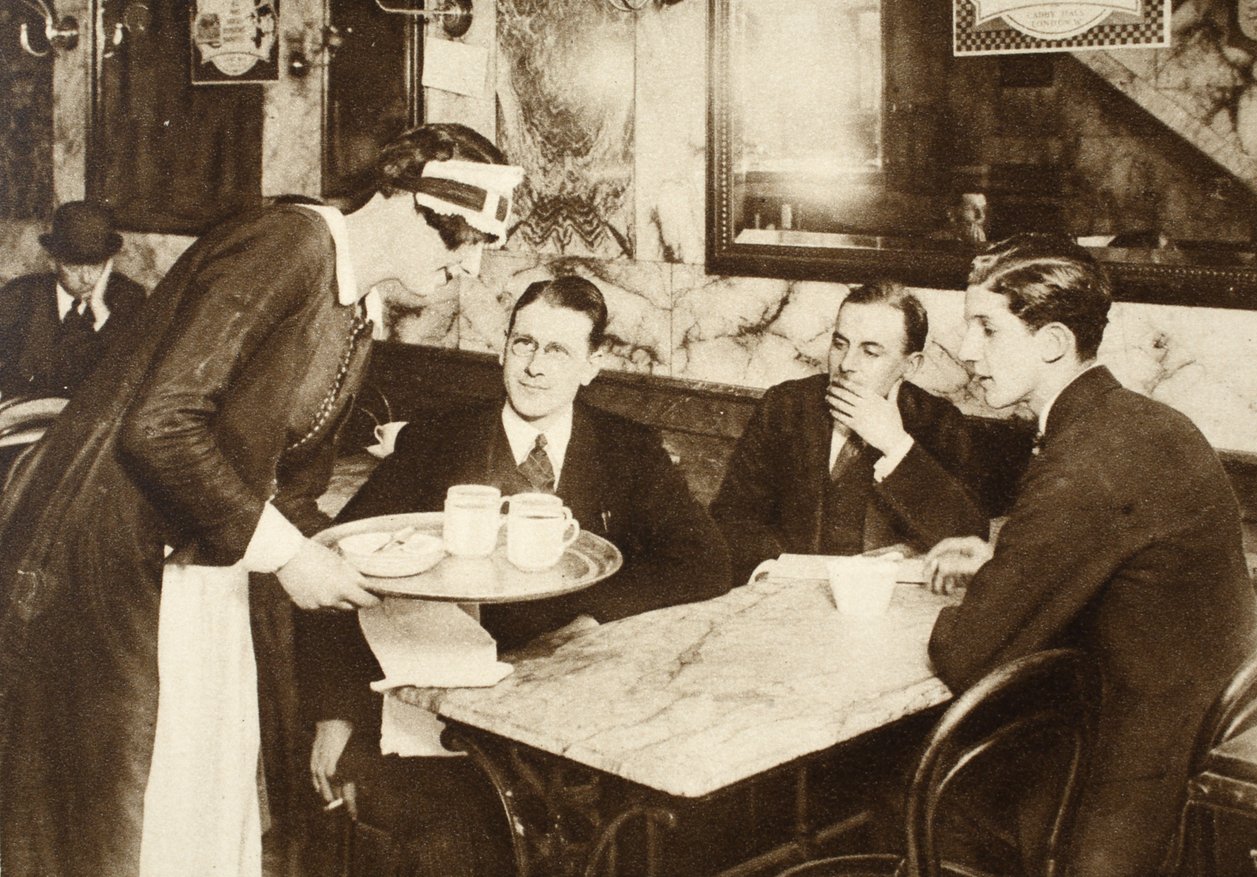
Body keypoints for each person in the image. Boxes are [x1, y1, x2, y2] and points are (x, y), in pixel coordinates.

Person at [0, 122, 524, 877]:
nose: (469, 268)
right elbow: (161, 424)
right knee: (137, 821)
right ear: (398, 201)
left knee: (205, 804)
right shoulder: (291, 244)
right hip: (118, 572)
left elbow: (294, 486)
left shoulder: (355, 306)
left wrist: (377, 567)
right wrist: (288, 556)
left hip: (200, 565)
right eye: (458, 240)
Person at [298, 276, 732, 873]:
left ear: (591, 364)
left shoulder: (627, 450)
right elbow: (333, 565)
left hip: (576, 716)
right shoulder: (437, 443)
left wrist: (593, 615)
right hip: (439, 721)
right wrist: (335, 714)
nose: (534, 367)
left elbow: (704, 562)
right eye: (524, 344)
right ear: (503, 348)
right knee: (463, 848)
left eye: (557, 351)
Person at [925, 234, 1257, 877]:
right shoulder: (1139, 421)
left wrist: (998, 582)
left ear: (1053, 343)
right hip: (1190, 738)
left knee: (909, 791)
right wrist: (1004, 554)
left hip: (1140, 785)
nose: (966, 354)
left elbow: (965, 652)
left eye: (986, 329)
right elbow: (1121, 549)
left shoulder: (1085, 461)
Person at [710, 280, 1029, 586]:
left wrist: (896, 445)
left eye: (871, 351)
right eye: (840, 344)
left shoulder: (938, 423)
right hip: (787, 597)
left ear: (911, 365)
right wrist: (783, 570)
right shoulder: (785, 407)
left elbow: (968, 536)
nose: (847, 364)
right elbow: (731, 520)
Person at [0, 200, 146, 399]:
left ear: (109, 263)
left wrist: (100, 311)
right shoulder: (20, 296)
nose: (86, 278)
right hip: (24, 418)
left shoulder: (128, 298)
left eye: (95, 265)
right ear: (52, 262)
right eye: (74, 267)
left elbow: (128, 374)